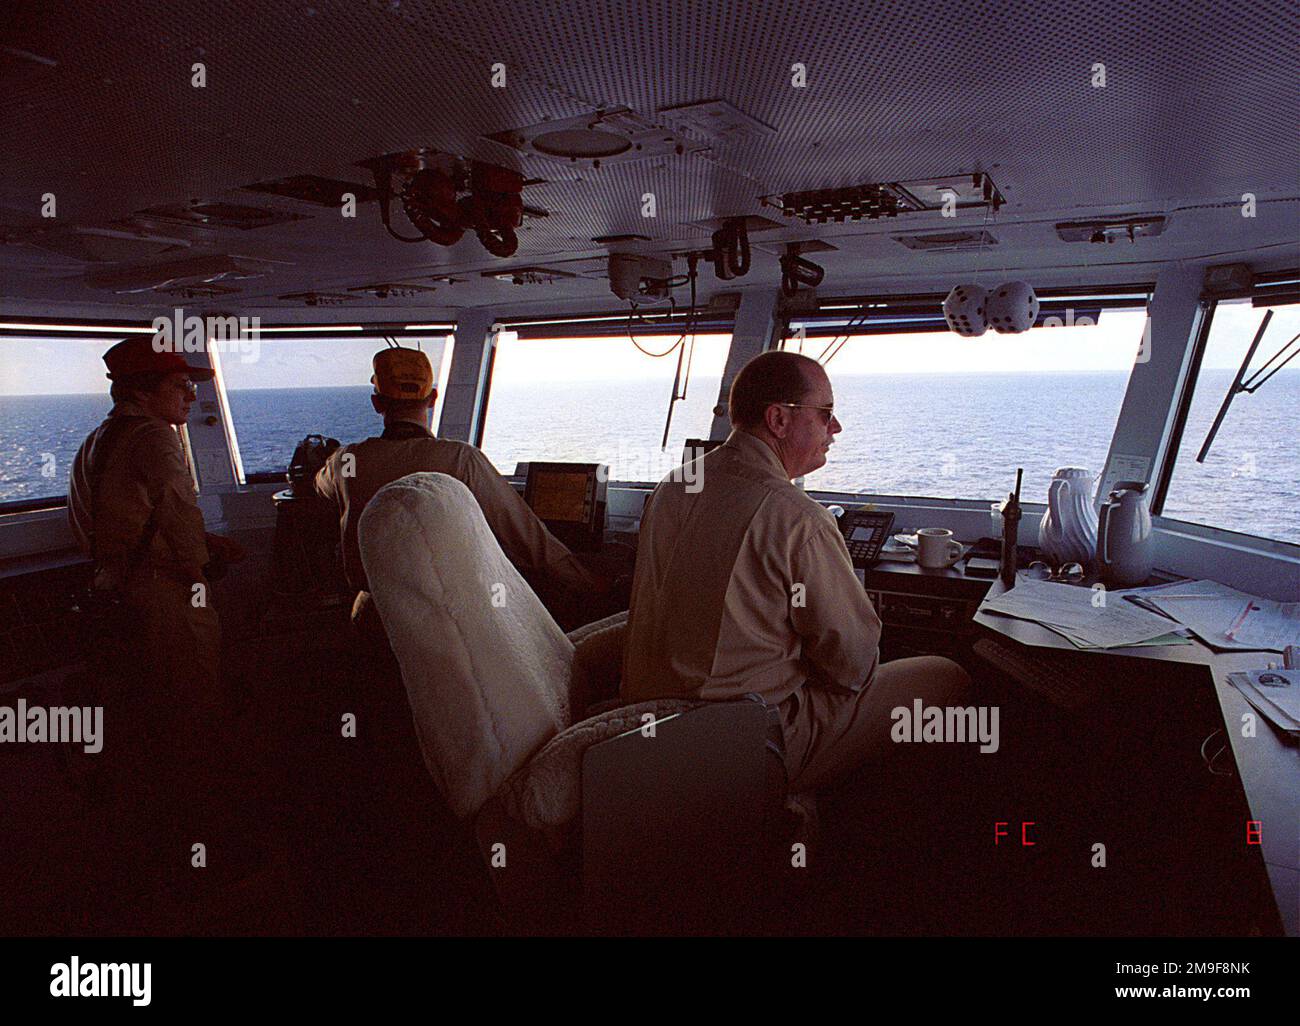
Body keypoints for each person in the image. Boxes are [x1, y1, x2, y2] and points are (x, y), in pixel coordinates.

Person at [621, 350, 970, 794]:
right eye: (825, 414)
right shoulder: (798, 519)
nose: (835, 428)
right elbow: (854, 667)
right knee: (946, 677)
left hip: (653, 727)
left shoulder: (672, 486)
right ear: (779, 420)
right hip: (747, 738)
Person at [68, 335, 245, 889]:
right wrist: (202, 568)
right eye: (179, 385)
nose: (191, 395)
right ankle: (205, 850)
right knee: (193, 714)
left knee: (144, 717)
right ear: (143, 391)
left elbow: (103, 522)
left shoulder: (98, 440)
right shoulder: (156, 437)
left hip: (115, 593)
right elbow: (177, 506)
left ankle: (154, 842)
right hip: (165, 599)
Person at [315, 346, 605, 641]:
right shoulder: (459, 460)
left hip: (372, 620)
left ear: (377, 403)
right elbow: (529, 541)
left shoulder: (346, 461)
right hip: (443, 624)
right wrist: (593, 585)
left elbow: (319, 485)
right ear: (432, 399)